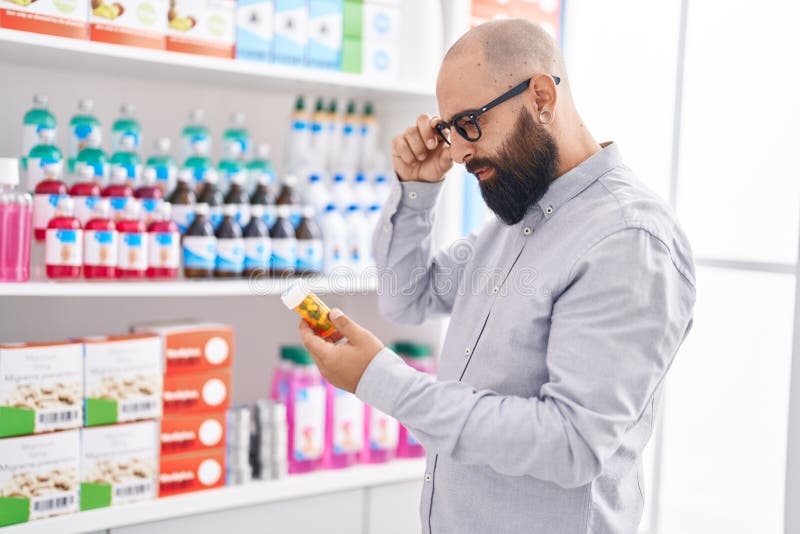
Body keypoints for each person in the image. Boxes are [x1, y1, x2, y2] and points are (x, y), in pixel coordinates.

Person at [299, 19, 696, 534]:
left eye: (470, 121)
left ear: (541, 97)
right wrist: (416, 193)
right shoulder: (517, 220)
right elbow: (408, 298)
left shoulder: (628, 240)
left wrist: (384, 382)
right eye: (448, 129)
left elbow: (572, 443)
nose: (459, 152)